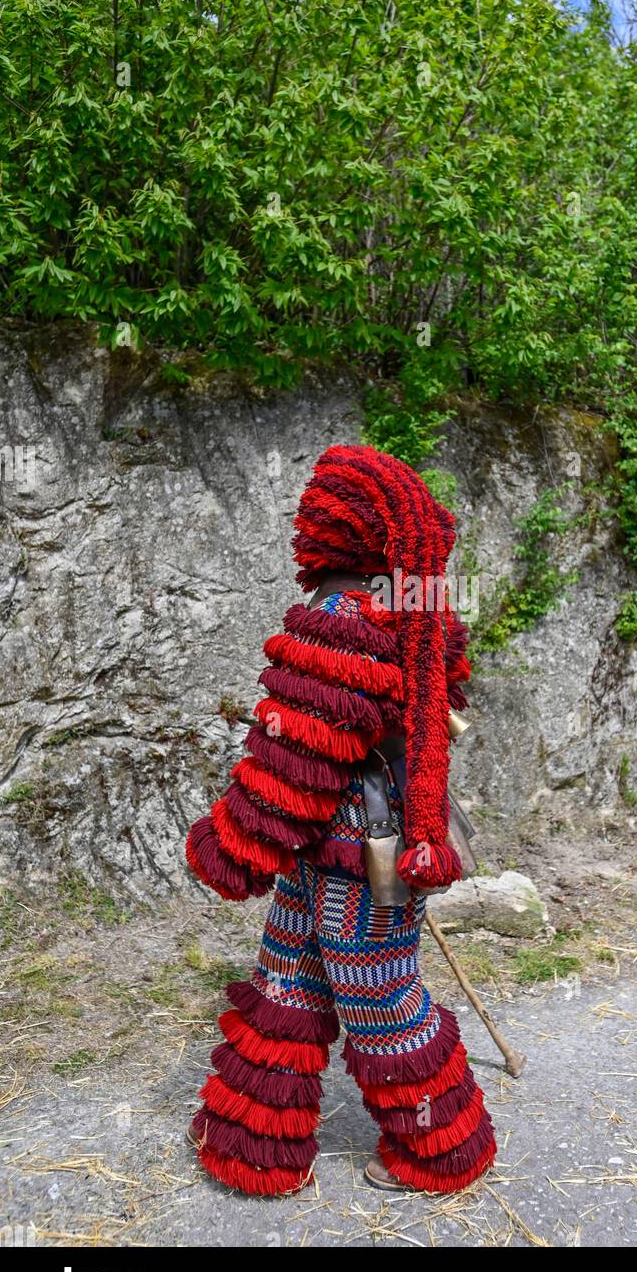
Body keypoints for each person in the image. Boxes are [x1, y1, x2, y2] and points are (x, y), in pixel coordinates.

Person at [184, 443, 497, 1195]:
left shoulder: (342, 614)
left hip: (359, 852)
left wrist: (230, 848)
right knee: (288, 982)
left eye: (311, 509)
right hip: (348, 847)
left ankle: (443, 1153)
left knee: (379, 997)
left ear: (336, 523)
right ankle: (254, 1148)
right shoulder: (414, 604)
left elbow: (293, 759)